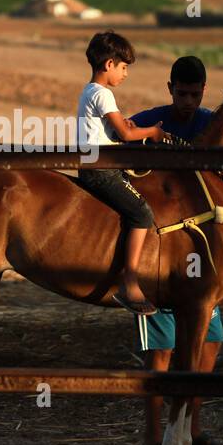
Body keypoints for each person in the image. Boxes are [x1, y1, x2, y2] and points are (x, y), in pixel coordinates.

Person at [129, 56, 223, 445]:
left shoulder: (210, 126)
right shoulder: (151, 121)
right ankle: (153, 438)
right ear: (170, 88)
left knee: (211, 340)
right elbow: (122, 150)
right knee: (162, 350)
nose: (187, 100)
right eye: (181, 93)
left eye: (194, 93)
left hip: (199, 252)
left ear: (203, 91)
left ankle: (192, 428)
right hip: (162, 253)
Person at [76, 31, 162, 316]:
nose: (125, 74)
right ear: (109, 64)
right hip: (102, 171)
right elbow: (126, 133)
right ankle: (130, 280)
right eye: (123, 67)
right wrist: (153, 131)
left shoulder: (89, 92)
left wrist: (119, 129)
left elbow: (112, 132)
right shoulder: (103, 94)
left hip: (93, 165)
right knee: (142, 214)